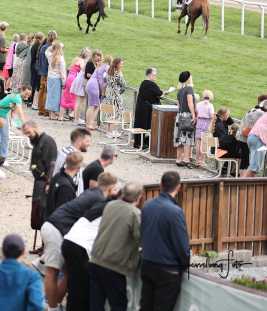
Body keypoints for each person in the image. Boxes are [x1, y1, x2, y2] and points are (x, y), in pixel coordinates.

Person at [43, 170, 117, 311]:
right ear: (112, 188)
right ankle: (51, 307)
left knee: (69, 273)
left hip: (57, 228)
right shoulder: (99, 200)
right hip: (57, 229)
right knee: (52, 273)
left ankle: (55, 305)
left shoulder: (92, 192)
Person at [88, 181, 143, 311]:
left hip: (95, 259)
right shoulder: (134, 213)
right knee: (118, 304)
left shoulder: (110, 205)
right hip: (112, 265)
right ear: (139, 198)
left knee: (96, 303)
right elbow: (142, 238)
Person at [139, 171, 190, 311]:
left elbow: (142, 232)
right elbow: (181, 244)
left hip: (147, 263)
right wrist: (185, 264)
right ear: (178, 187)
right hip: (166, 269)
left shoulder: (148, 205)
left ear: (160, 185)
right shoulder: (175, 212)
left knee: (145, 306)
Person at [23, 121, 58, 240]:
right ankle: (42, 246)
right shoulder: (38, 142)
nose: (28, 135)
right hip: (39, 184)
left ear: (35, 127)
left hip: (44, 185)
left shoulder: (47, 141)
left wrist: (49, 183)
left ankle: (45, 247)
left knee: (43, 214)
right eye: (25, 134)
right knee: (38, 216)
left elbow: (51, 164)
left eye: (28, 132)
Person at [133, 68, 170, 148]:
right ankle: (143, 143)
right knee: (146, 125)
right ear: (149, 75)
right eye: (154, 75)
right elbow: (159, 94)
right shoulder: (151, 84)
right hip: (146, 108)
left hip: (141, 106)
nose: (155, 77)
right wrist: (163, 93)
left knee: (140, 124)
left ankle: (138, 143)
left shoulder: (144, 83)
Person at [239, 95, 267, 177]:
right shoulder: (263, 113)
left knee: (244, 161)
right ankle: (244, 182)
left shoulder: (251, 110)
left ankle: (240, 180)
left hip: (241, 136)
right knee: (250, 163)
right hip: (250, 136)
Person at [173, 72, 197, 169]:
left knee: (179, 137)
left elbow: (179, 105)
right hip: (187, 116)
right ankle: (186, 159)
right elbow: (190, 102)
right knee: (188, 137)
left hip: (179, 115)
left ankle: (178, 159)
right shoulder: (189, 89)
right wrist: (193, 115)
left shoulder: (180, 90)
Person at [101, 57, 126, 138]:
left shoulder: (109, 72)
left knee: (110, 112)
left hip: (109, 93)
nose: (122, 65)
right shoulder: (117, 73)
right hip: (116, 94)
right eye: (121, 64)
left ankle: (109, 131)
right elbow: (123, 83)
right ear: (117, 64)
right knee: (115, 112)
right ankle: (111, 131)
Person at [85, 54, 110, 130]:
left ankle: (90, 122)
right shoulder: (107, 67)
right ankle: (88, 124)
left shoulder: (99, 66)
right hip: (94, 87)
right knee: (92, 106)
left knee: (96, 106)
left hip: (90, 84)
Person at [45, 43, 67, 121]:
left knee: (50, 95)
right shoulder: (60, 58)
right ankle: (53, 114)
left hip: (50, 77)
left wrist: (52, 46)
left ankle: (51, 113)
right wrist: (64, 82)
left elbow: (46, 51)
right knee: (55, 96)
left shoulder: (50, 56)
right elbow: (63, 72)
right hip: (57, 78)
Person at [194, 89, 216, 167]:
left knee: (198, 142)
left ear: (203, 96)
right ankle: (202, 161)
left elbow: (196, 112)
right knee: (204, 142)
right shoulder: (210, 105)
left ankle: (197, 160)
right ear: (210, 97)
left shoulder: (199, 104)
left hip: (199, 122)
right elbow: (211, 116)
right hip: (207, 123)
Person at [36, 31, 56, 117]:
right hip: (48, 72)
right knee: (46, 91)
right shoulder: (51, 48)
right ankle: (46, 110)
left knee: (41, 89)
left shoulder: (43, 47)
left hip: (42, 71)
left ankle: (41, 109)